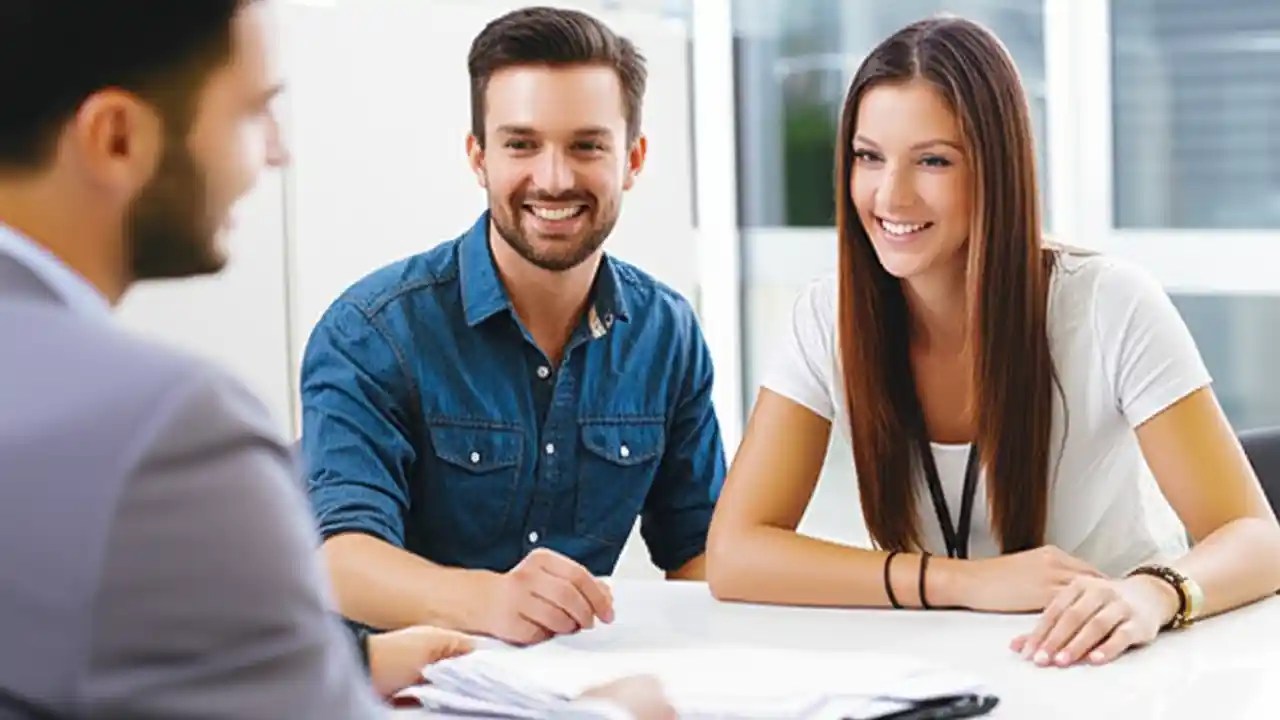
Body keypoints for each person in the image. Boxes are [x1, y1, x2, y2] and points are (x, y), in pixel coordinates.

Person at [0, 1, 671, 718]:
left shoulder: (665, 327)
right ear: (117, 138)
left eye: (586, 145)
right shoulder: (167, 429)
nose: (278, 150)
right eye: (253, 112)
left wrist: (365, 663)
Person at [705, 14, 1280, 670]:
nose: (889, 194)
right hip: (939, 666)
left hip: (1114, 665)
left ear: (996, 169)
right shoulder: (827, 316)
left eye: (933, 161)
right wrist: (962, 583)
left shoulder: (1108, 304)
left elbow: (1256, 537)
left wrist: (1150, 593)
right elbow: (735, 553)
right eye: (869, 157)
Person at [300, 6, 726, 646]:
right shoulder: (373, 331)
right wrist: (488, 602)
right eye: (521, 144)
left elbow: (699, 555)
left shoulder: (667, 333)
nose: (553, 178)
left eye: (587, 145)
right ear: (478, 157)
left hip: (580, 689)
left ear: (633, 159)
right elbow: (339, 562)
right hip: (406, 690)